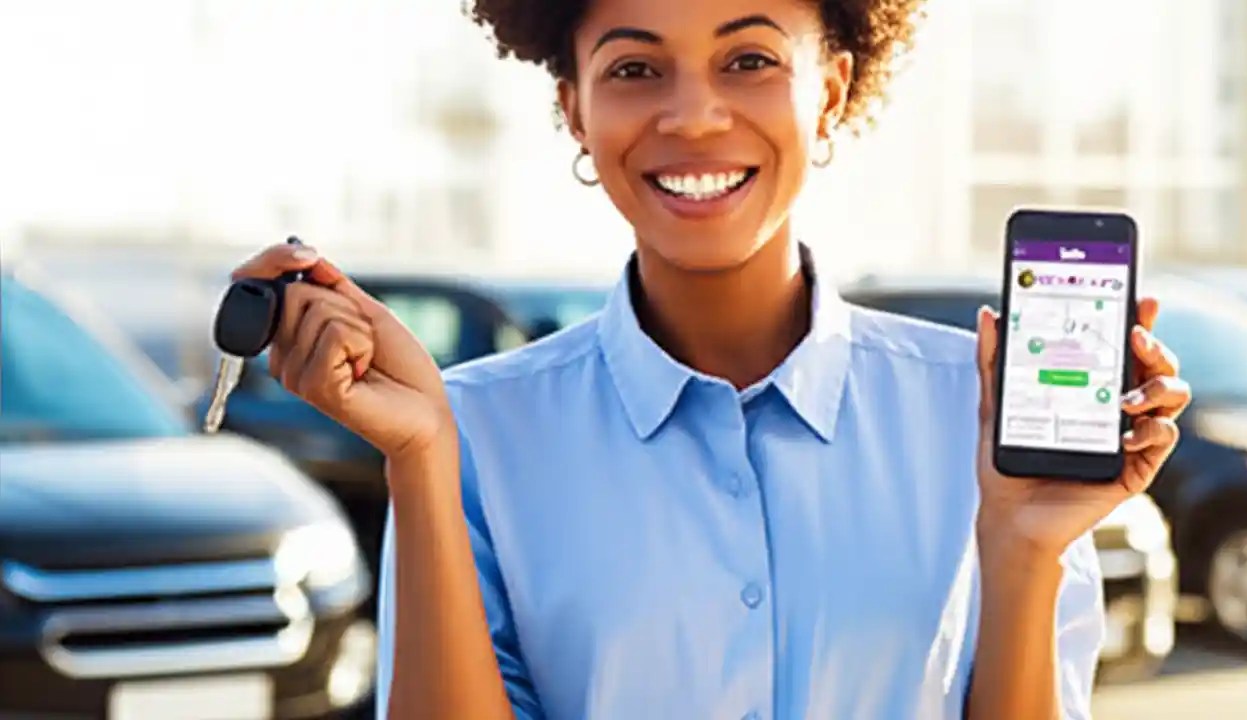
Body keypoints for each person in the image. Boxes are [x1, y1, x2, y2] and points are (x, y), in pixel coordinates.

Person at [230, 0, 1192, 717]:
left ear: (835, 91)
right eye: (635, 70)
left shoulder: (977, 416)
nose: (693, 117)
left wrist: (1024, 550)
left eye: (749, 58)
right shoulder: (470, 432)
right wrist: (422, 461)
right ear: (574, 108)